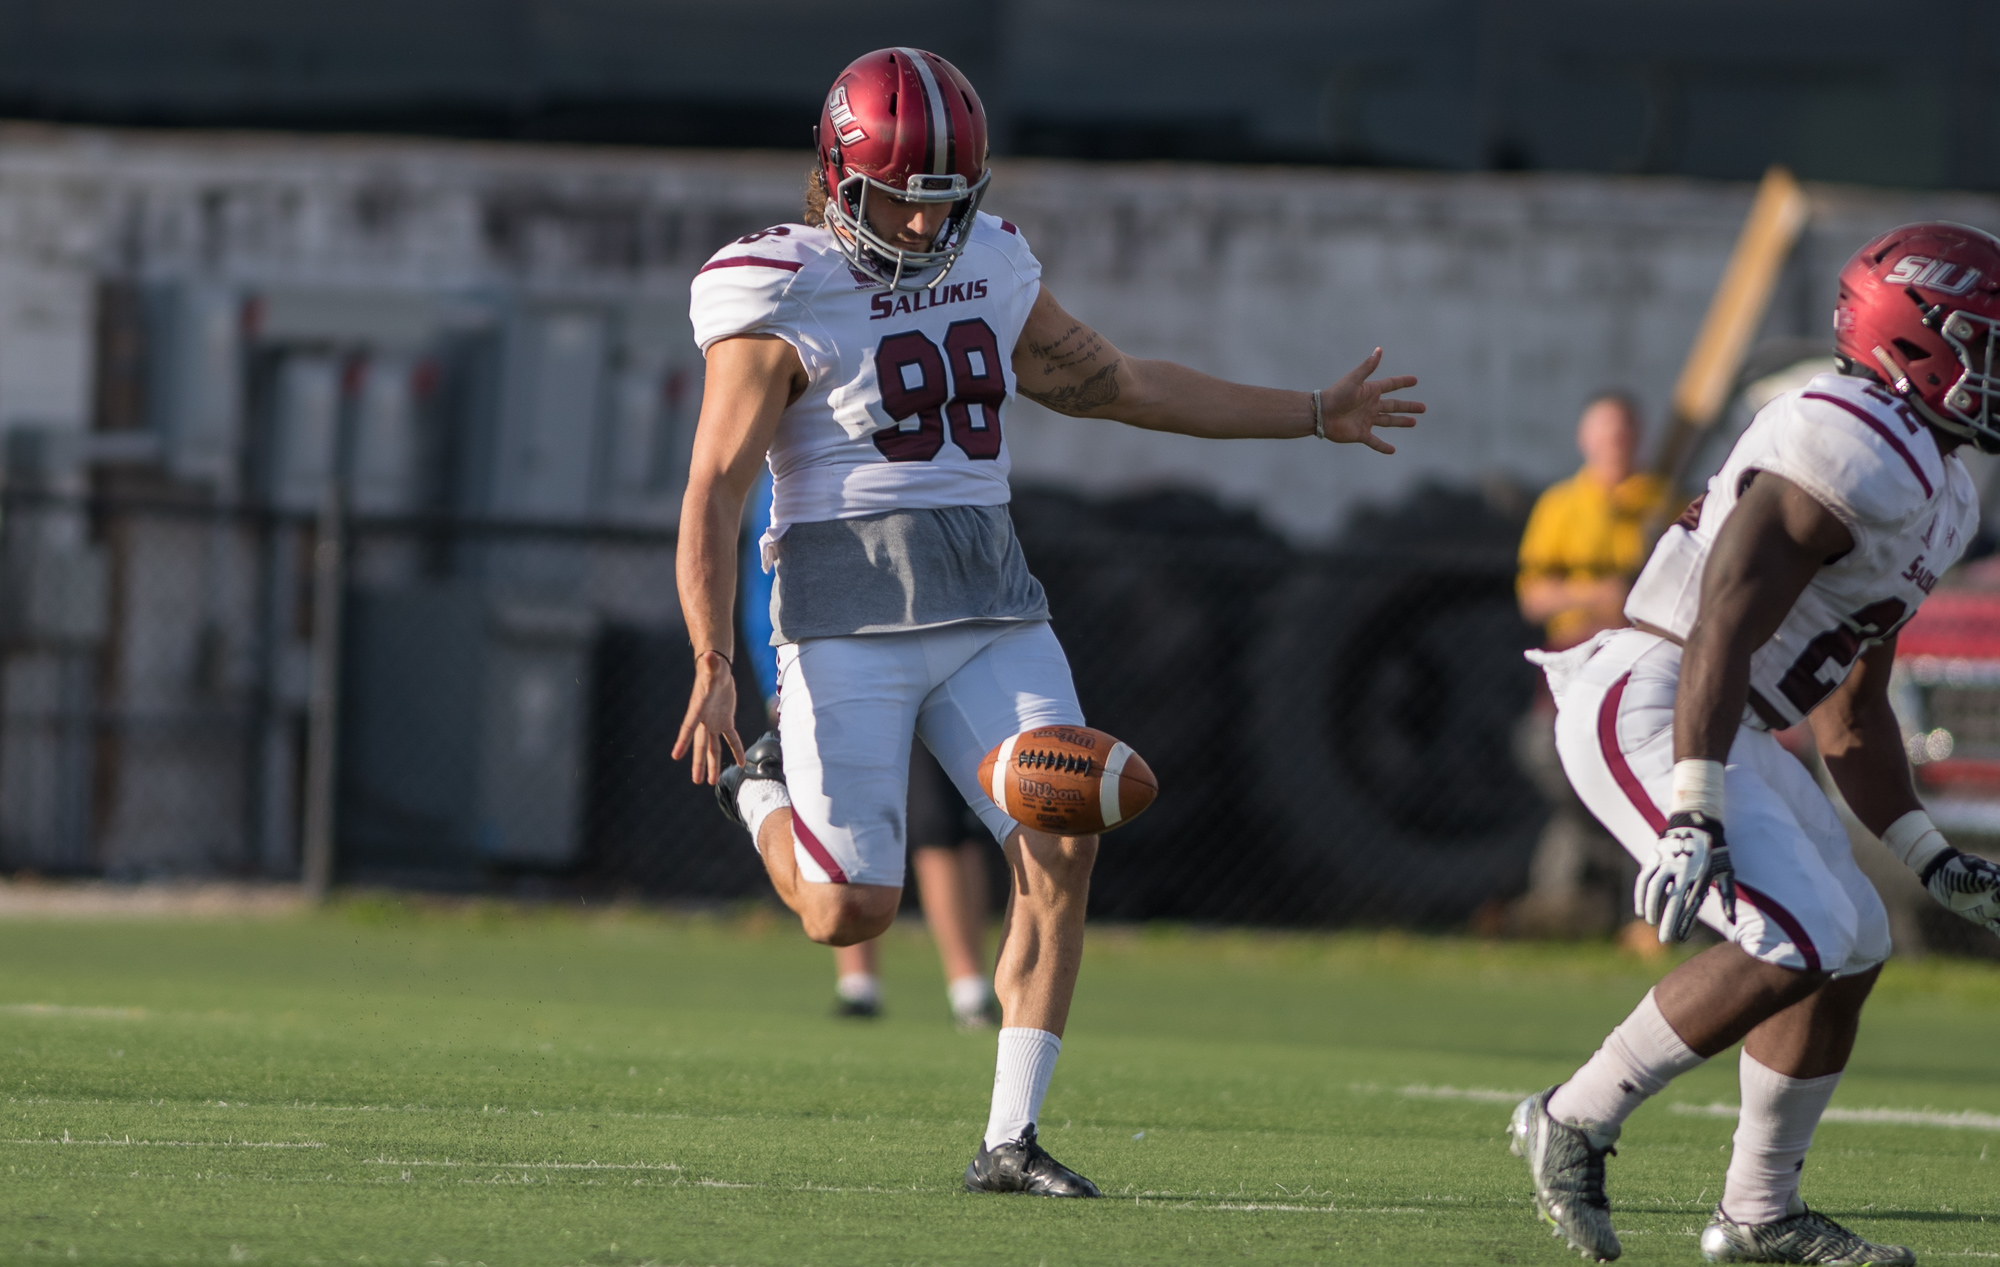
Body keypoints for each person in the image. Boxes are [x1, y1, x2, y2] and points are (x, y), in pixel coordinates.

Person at [673, 47, 1422, 1199]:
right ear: (834, 176)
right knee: (845, 910)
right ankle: (755, 791)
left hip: (990, 603)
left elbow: (1114, 383)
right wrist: (715, 657)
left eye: (943, 204)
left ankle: (1009, 1138)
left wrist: (1309, 413)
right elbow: (715, 488)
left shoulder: (991, 260)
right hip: (842, 618)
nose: (924, 230)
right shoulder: (774, 288)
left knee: (1062, 842)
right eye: (899, 203)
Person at [1512, 221, 2000, 1264]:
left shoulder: (1945, 485)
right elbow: (1724, 616)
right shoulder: (1849, 437)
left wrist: (1930, 858)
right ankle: (1574, 1115)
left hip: (1725, 712)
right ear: (1911, 339)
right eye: (1982, 341)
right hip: (1655, 689)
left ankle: (1756, 1212)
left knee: (1856, 936)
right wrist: (1692, 803)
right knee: (1803, 931)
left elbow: (1848, 706)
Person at [741, 468, 1001, 1026]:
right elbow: (761, 583)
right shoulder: (795, 465)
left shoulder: (919, 456)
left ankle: (969, 987)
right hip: (837, 666)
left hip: (928, 654)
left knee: (941, 824)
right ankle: (858, 982)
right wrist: (775, 683)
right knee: (844, 827)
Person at [1513, 395, 1672, 937]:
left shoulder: (1663, 504)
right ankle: (1573, 899)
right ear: (1586, 439)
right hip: (1574, 661)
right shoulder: (1560, 506)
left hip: (1639, 667)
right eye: (1604, 434)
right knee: (1561, 773)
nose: (1614, 445)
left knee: (1643, 780)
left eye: (1623, 433)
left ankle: (1643, 919)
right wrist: (1597, 594)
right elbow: (1534, 597)